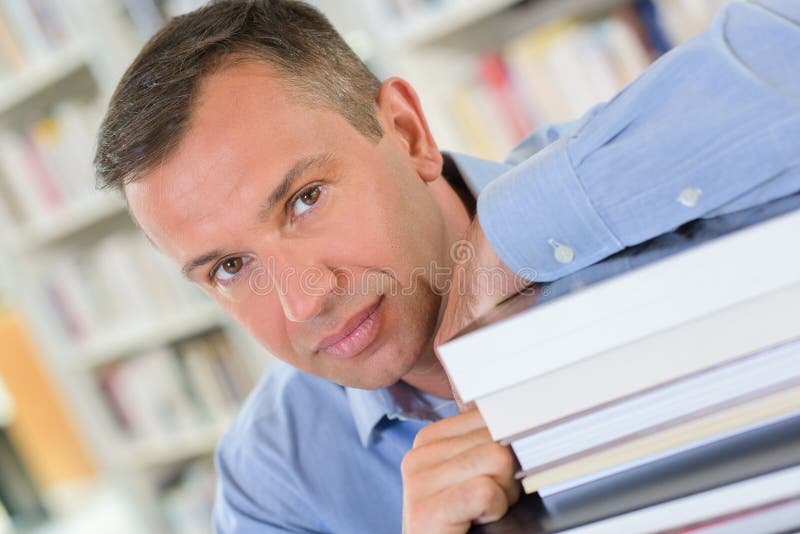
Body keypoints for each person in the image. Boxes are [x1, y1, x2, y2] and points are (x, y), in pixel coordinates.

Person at [93, 0, 799, 532]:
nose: (303, 303)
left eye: (305, 200)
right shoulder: (276, 481)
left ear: (408, 131)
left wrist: (514, 232)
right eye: (228, 268)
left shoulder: (674, 191)